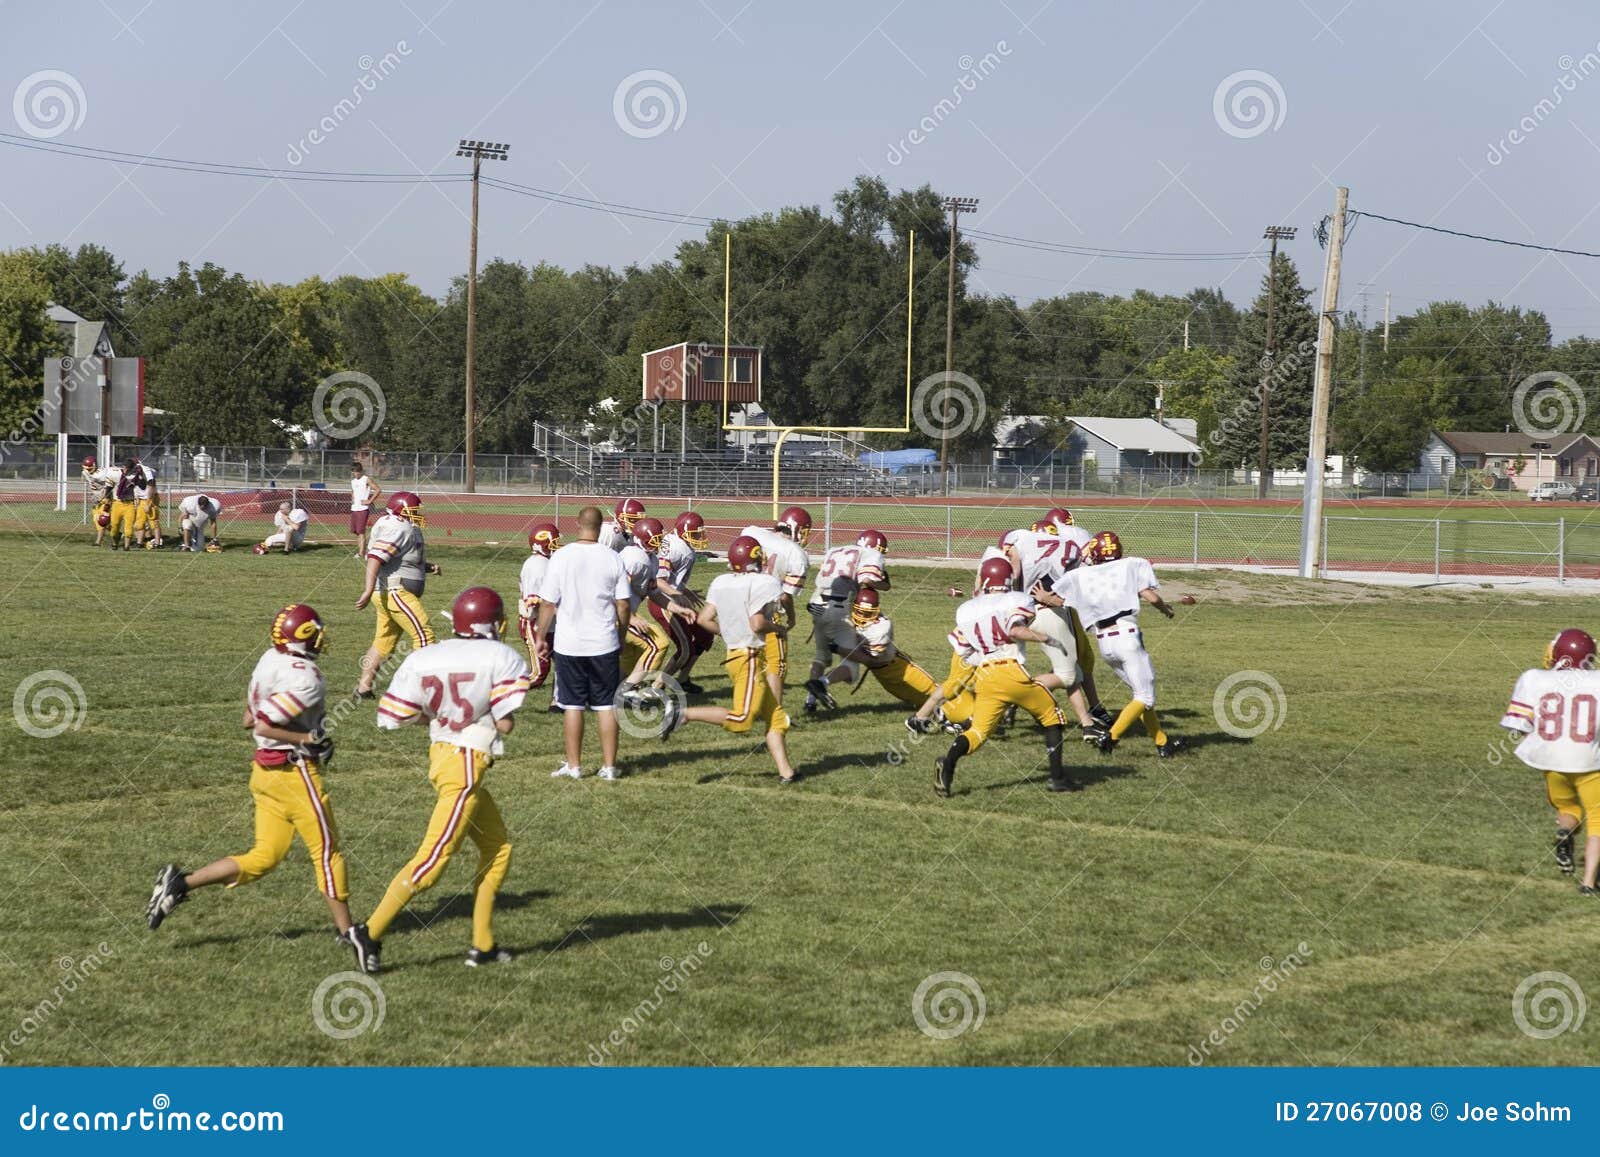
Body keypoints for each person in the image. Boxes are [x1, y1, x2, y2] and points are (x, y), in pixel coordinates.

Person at [145, 604, 363, 966]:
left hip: (263, 774)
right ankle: (347, 931)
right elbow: (262, 725)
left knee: (264, 858)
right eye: (316, 629)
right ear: (304, 635)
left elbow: (248, 718)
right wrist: (308, 737)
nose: (323, 635)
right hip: (295, 774)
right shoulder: (308, 678)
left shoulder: (269, 658)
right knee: (328, 853)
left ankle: (180, 883)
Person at [352, 587, 531, 972]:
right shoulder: (501, 656)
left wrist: (441, 716)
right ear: (492, 624)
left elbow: (395, 714)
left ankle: (482, 944)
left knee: (497, 848)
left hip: (443, 756)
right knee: (432, 862)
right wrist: (482, 716)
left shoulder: (427, 656)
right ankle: (369, 931)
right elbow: (506, 722)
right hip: (465, 764)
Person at [660, 535, 801, 784]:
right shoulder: (765, 582)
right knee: (742, 719)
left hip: (736, 655)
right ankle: (682, 714)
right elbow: (757, 624)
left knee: (776, 717)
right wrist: (779, 629)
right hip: (748, 657)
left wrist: (729, 631)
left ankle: (787, 773)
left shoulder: (721, 581)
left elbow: (704, 620)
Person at [935, 557, 1078, 797]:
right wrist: (1042, 637)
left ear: (987, 580)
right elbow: (1014, 629)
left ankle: (948, 764)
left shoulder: (968, 608)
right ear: (1007, 579)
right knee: (1051, 716)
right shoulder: (1015, 600)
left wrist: (985, 658)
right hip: (1010, 670)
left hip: (985, 675)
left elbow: (963, 650)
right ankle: (1057, 778)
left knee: (978, 732)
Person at [1035, 530, 1181, 757]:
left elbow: (1061, 599)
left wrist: (1045, 598)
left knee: (1141, 695)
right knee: (1145, 697)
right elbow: (1150, 596)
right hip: (1126, 636)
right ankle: (1110, 739)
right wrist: (1165, 609)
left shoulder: (1083, 575)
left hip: (1105, 643)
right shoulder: (1131, 565)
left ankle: (1163, 743)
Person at [1501, 628, 1600, 894]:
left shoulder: (1534, 679)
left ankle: (1565, 832)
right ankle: (1589, 883)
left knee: (1567, 807)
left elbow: (1518, 726)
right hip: (1590, 761)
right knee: (1598, 821)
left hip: (1551, 760)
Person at [537, 505, 631, 780]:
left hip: (569, 643)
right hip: (604, 642)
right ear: (601, 527)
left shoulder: (561, 556)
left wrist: (541, 636)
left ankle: (574, 765)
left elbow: (547, 603)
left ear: (577, 524)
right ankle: (610, 766)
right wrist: (622, 635)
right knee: (606, 705)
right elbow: (623, 605)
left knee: (573, 704)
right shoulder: (613, 557)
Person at [1005, 522, 1109, 737]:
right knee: (1070, 674)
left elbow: (1013, 573)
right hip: (1048, 611)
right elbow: (1081, 588)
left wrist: (1013, 597)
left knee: (1072, 670)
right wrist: (1058, 599)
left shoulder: (1020, 540)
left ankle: (1087, 725)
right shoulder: (1069, 545)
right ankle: (1013, 696)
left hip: (1018, 610)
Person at [844, 588, 975, 725]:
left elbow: (871, 657)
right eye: (860, 611)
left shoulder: (881, 626)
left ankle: (964, 715)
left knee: (933, 690)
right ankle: (941, 716)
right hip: (880, 673)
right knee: (915, 699)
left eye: (868, 613)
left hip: (899, 667)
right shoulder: (848, 617)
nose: (863, 616)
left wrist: (842, 648)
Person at [355, 491, 439, 698]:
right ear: (401, 510)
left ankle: (363, 688)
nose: (418, 513)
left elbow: (401, 559)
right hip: (396, 592)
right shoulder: (398, 527)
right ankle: (421, 691)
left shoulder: (403, 526)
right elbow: (374, 558)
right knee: (424, 636)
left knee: (383, 643)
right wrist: (367, 589)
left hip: (390, 591)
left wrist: (427, 567)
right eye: (414, 510)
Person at [804, 528, 888, 711]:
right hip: (838, 609)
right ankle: (822, 683)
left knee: (821, 657)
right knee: (851, 667)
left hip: (817, 604)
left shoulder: (836, 549)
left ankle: (810, 701)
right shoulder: (871, 554)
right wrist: (884, 585)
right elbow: (869, 579)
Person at [738, 505, 812, 705]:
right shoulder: (797, 554)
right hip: (768, 611)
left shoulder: (752, 532)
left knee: (751, 658)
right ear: (798, 529)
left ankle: (747, 703)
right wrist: (792, 616)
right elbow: (786, 596)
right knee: (776, 663)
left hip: (740, 606)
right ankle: (774, 712)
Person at [653, 511, 714, 693]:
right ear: (683, 531)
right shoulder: (676, 547)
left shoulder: (680, 544)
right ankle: (658, 685)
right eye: (694, 533)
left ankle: (683, 679)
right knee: (685, 649)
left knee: (705, 635)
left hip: (675, 598)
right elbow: (659, 580)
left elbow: (671, 578)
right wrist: (678, 595)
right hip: (663, 602)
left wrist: (684, 591)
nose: (697, 537)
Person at [618, 517, 674, 704]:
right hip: (615, 613)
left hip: (622, 612)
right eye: (655, 538)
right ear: (643, 539)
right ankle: (628, 690)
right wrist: (632, 618)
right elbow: (615, 591)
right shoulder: (635, 558)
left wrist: (678, 608)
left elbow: (654, 593)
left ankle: (613, 690)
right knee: (658, 643)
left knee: (631, 654)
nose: (659, 542)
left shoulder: (649, 559)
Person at [518, 523, 561, 688]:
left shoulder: (545, 562)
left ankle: (558, 702)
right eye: (553, 542)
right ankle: (501, 692)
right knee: (538, 674)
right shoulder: (537, 565)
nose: (556, 546)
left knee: (565, 664)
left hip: (550, 624)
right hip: (535, 623)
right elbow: (534, 601)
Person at [82, 455, 118, 547]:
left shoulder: (102, 474)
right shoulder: (85, 472)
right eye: (86, 468)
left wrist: (108, 498)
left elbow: (111, 483)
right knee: (98, 521)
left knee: (102, 520)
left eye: (90, 468)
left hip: (105, 499)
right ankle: (117, 533)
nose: (88, 470)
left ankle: (98, 542)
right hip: (96, 499)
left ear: (94, 465)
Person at [106, 459, 140, 550]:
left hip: (130, 503)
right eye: (125, 468)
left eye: (129, 469)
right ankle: (114, 543)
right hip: (117, 503)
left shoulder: (136, 476)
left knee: (129, 526)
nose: (126, 470)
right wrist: (107, 499)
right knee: (114, 526)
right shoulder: (116, 474)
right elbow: (108, 487)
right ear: (123, 467)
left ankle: (126, 546)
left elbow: (142, 487)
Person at [349, 461, 381, 557]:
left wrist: (370, 501)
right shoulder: (353, 481)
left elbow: (378, 490)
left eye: (357, 472)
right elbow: (353, 491)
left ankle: (361, 553)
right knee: (356, 531)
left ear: (361, 471)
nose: (355, 474)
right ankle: (364, 550)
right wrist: (353, 498)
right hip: (354, 508)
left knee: (361, 531)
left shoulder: (366, 479)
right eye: (353, 472)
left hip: (363, 509)